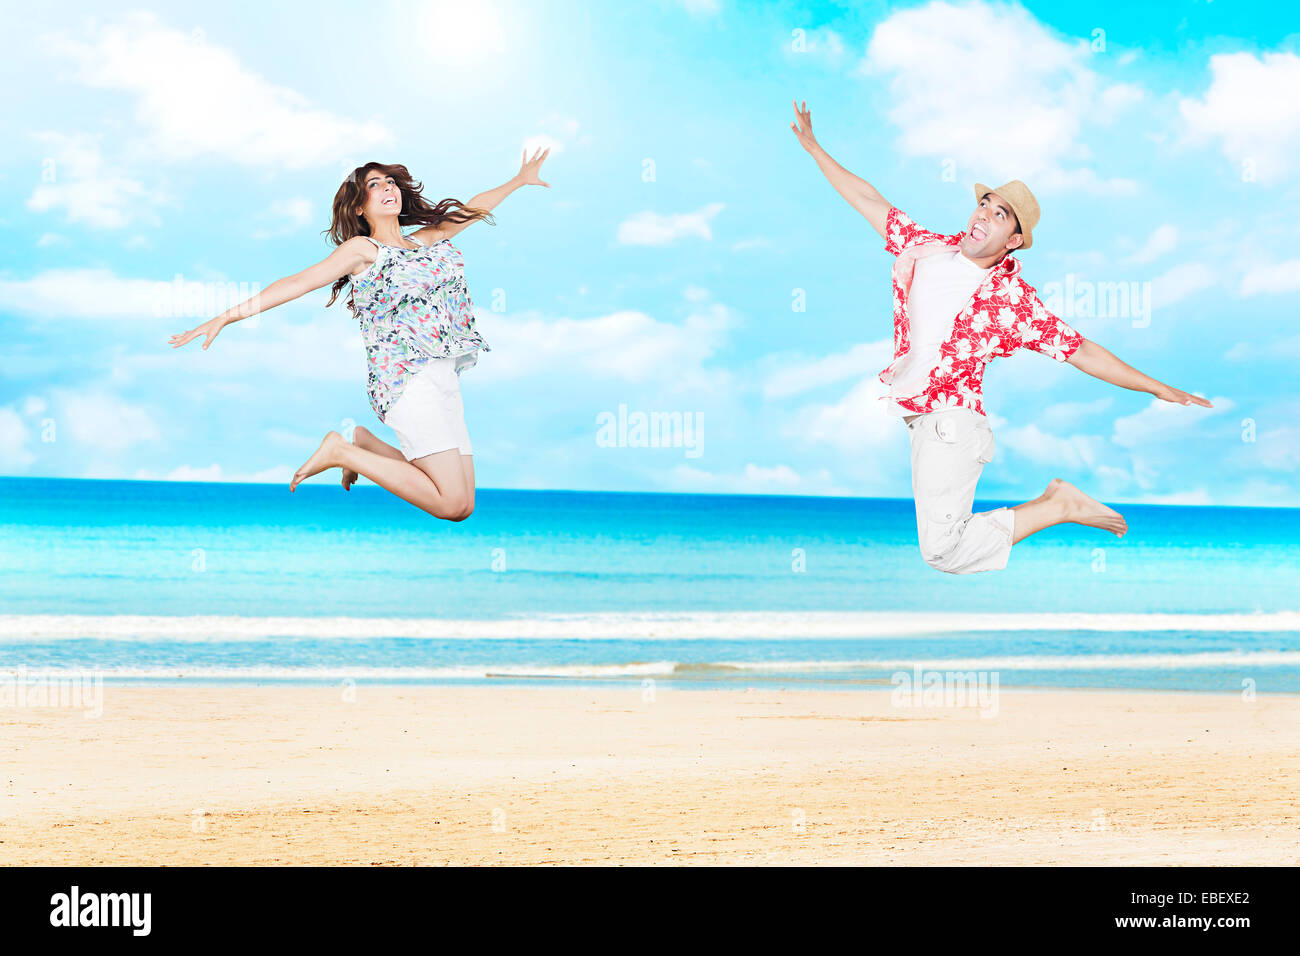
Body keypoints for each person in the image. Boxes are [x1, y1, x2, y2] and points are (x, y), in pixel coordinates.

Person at [790, 100, 1212, 574]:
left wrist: (1157, 386)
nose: (984, 215)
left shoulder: (1011, 301)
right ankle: (1056, 501)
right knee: (941, 549)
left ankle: (1060, 506)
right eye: (984, 204)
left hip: (953, 423)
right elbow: (869, 199)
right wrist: (813, 148)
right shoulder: (926, 248)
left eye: (1000, 215)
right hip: (924, 421)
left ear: (1012, 240)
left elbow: (1082, 350)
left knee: (944, 552)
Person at [169, 149, 551, 520]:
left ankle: (364, 445)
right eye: (374, 184)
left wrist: (518, 181)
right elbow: (299, 282)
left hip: (444, 375)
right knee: (450, 504)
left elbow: (471, 208)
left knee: (464, 502)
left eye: (391, 181)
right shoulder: (363, 250)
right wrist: (225, 317)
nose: (388, 187)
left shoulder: (426, 240)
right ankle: (343, 452)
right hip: (406, 379)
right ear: (358, 206)